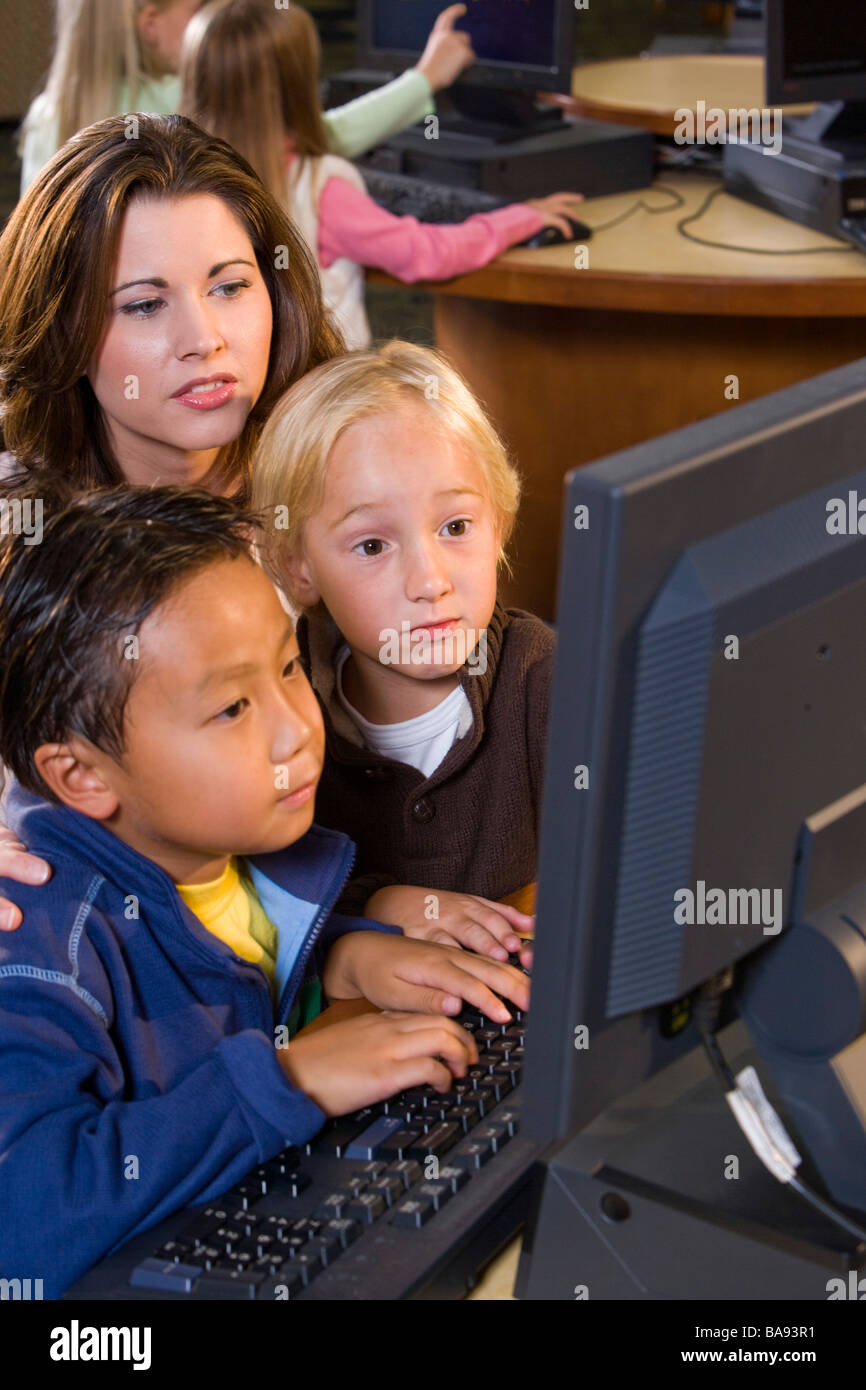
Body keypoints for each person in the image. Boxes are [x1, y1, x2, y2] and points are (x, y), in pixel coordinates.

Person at [0, 485, 528, 1297]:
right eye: (232, 708)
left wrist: (344, 961)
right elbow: (25, 1217)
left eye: (288, 666)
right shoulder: (41, 937)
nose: (296, 726)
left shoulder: (227, 849)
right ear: (79, 775)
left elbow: (236, 979)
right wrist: (291, 1081)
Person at [0, 109, 343, 924]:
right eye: (145, 306)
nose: (205, 340)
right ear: (67, 330)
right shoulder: (16, 523)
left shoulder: (346, 471)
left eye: (229, 287)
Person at [252, 340, 555, 960]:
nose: (430, 581)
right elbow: (261, 897)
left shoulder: (547, 676)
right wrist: (380, 902)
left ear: (498, 522)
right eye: (372, 546)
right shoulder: (281, 711)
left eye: (455, 527)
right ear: (297, 566)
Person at [180, 0, 584, 347]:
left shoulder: (185, 183)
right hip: (328, 401)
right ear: (301, 89)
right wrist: (522, 218)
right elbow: (426, 255)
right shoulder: (320, 186)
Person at [19, 0, 475, 195]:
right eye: (200, 8)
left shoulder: (48, 115)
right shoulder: (179, 108)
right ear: (150, 24)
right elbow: (324, 136)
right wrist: (424, 78)